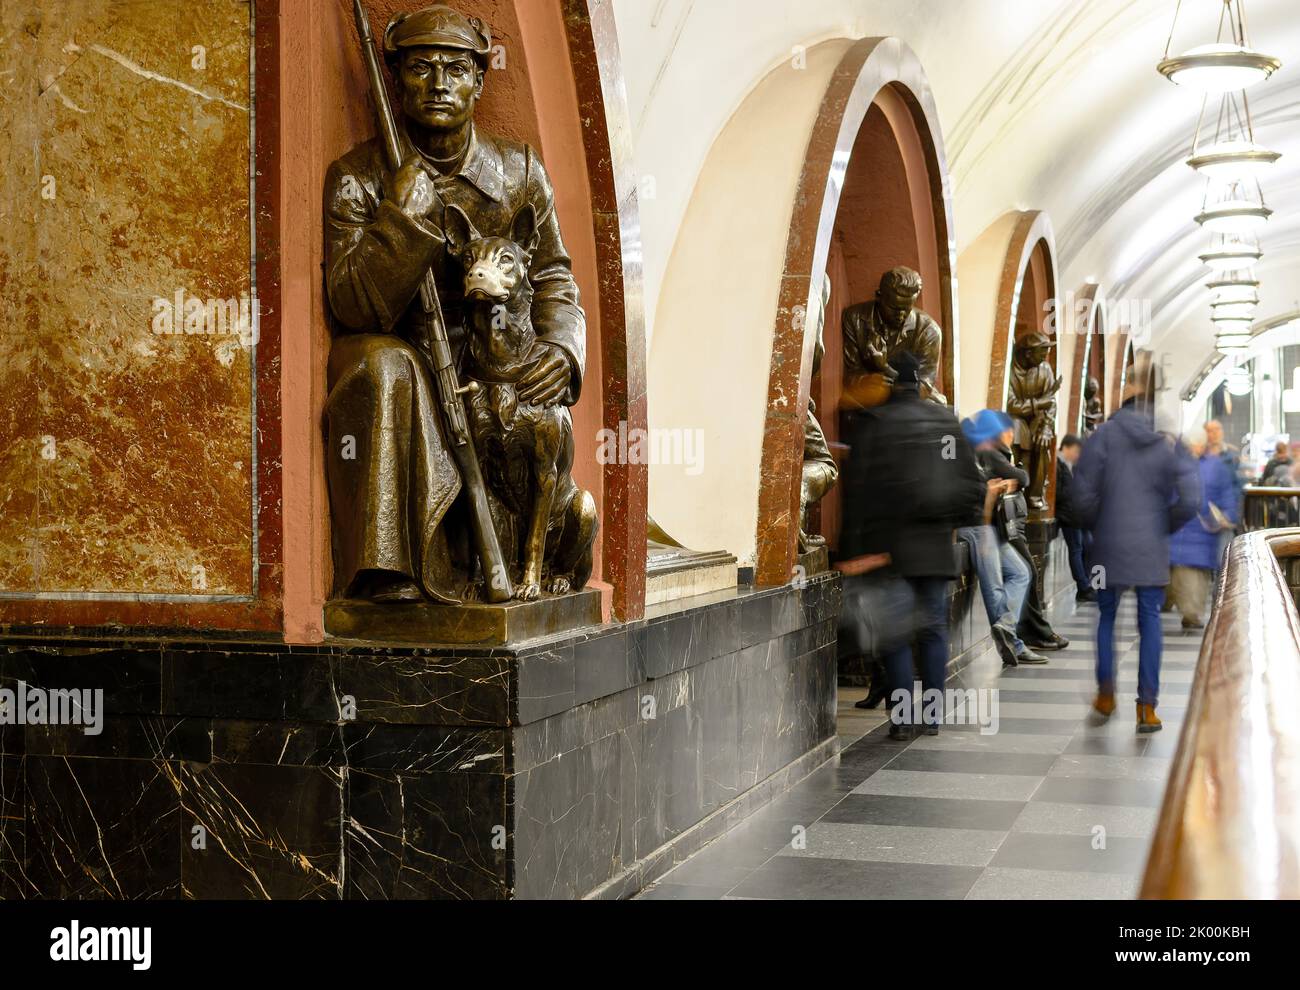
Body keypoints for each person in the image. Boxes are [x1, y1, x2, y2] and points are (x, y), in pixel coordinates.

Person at [323, 5, 587, 603]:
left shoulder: (519, 171)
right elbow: (351, 304)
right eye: (420, 68)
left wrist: (562, 351)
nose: (439, 84)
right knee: (383, 365)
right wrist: (402, 221)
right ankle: (391, 576)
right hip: (418, 367)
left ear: (479, 79)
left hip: (501, 369)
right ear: (396, 80)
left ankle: (515, 563)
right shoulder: (357, 178)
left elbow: (554, 277)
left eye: (455, 68)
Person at [836, 351, 986, 739]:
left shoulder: (877, 424)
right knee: (934, 630)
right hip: (936, 546)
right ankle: (932, 717)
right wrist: (958, 523)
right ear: (921, 384)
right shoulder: (946, 421)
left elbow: (858, 491)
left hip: (890, 549)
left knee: (896, 634)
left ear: (891, 385)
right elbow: (973, 482)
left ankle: (903, 720)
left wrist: (854, 549)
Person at [1073, 353, 1200, 733]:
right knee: (1151, 623)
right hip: (1151, 548)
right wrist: (1163, 524)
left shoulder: (1102, 437)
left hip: (1107, 548)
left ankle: (1106, 694)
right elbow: (1192, 498)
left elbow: (1079, 497)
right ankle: (1147, 707)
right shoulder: (1168, 441)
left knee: (1106, 617)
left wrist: (1100, 523)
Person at [955, 409, 1050, 668]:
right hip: (976, 526)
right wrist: (993, 486)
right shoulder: (973, 451)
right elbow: (1017, 477)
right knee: (995, 585)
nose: (1008, 435)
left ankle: (1005, 626)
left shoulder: (982, 452)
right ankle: (1014, 645)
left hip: (988, 525)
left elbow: (1016, 477)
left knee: (1021, 572)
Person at [975, 422, 1070, 650]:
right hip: (999, 528)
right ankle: (1016, 631)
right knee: (1019, 574)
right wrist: (1009, 479)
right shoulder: (990, 453)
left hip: (1008, 526)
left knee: (1024, 573)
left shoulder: (1000, 454)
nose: (1011, 435)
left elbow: (1021, 478)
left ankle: (1019, 631)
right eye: (1007, 431)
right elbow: (1022, 477)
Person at [1169, 427, 1237, 631]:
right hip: (1191, 529)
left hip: (1195, 530)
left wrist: (1228, 515)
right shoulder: (1206, 466)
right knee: (1190, 573)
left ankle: (1191, 612)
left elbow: (1226, 494)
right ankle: (1189, 611)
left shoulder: (1183, 466)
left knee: (1193, 573)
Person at [1056, 435, 1095, 603]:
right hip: (1068, 516)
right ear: (1066, 447)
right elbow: (1055, 492)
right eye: (1076, 451)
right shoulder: (1056, 464)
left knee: (1087, 547)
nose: (1077, 455)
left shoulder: (1068, 465)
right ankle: (1083, 587)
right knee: (1076, 550)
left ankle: (1086, 583)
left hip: (1076, 514)